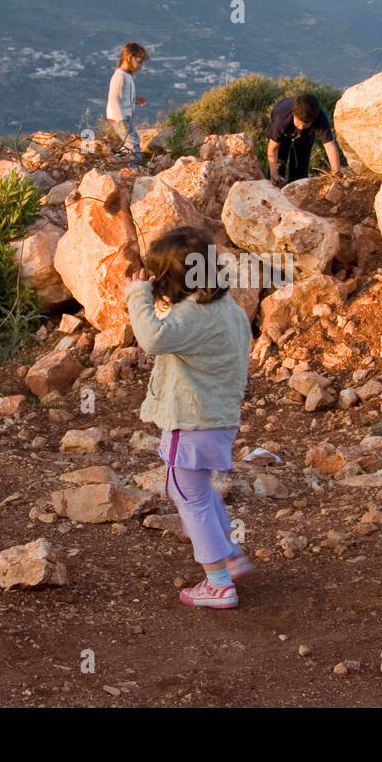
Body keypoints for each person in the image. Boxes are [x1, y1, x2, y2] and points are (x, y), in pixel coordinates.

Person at [125, 226, 254, 609]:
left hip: (191, 419)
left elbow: (152, 338)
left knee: (185, 494)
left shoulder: (194, 315)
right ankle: (228, 554)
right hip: (217, 418)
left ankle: (218, 584)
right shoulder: (226, 309)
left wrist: (137, 294)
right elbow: (181, 326)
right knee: (197, 491)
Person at [265, 93, 344, 185]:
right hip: (284, 131)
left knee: (300, 168)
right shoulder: (282, 119)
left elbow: (330, 146)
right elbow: (273, 149)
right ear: (294, 115)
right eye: (298, 123)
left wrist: (336, 173)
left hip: (307, 135)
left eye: (306, 124)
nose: (301, 127)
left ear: (313, 119)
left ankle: (296, 190)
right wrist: (274, 174)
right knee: (279, 162)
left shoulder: (320, 117)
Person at [107, 42, 149, 167]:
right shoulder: (120, 76)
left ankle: (112, 159)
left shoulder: (126, 75)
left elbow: (123, 96)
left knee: (128, 143)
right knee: (133, 142)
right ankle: (135, 169)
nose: (140, 66)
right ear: (130, 57)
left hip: (122, 116)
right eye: (139, 61)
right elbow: (114, 98)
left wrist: (136, 99)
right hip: (120, 117)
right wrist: (120, 120)